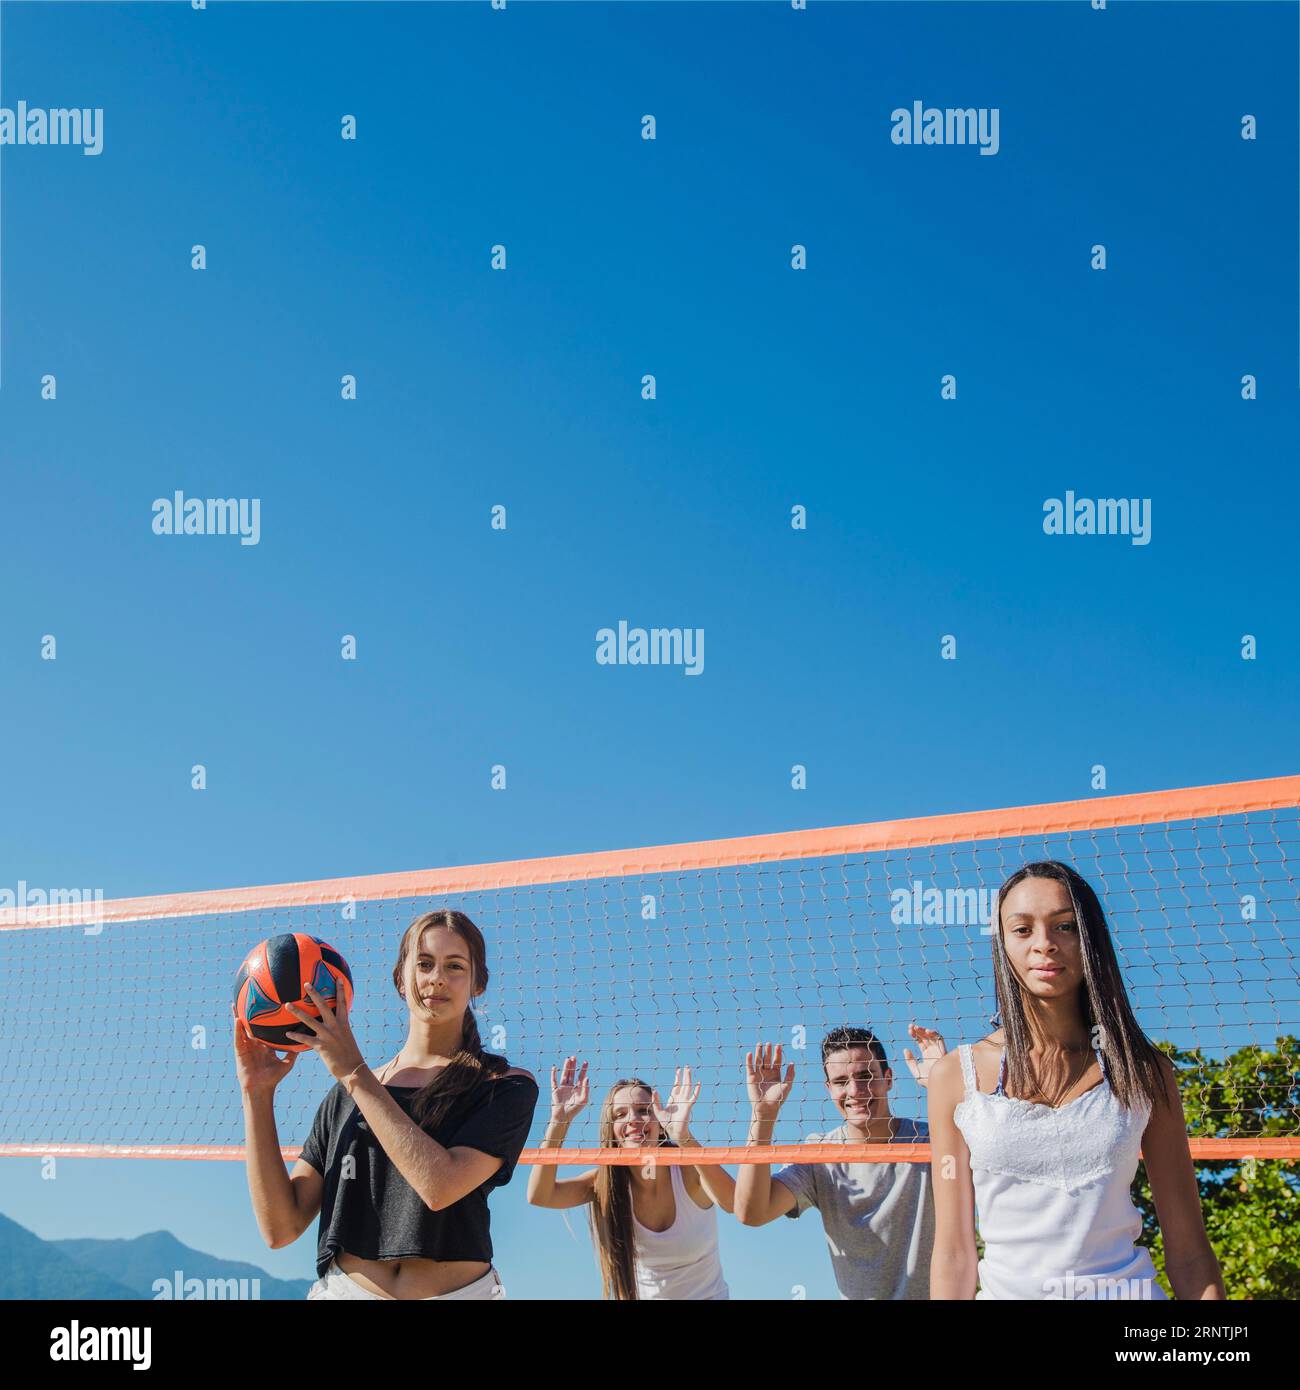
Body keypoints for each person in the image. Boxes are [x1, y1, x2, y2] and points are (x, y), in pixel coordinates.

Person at [927, 860, 1225, 1300]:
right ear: (1002, 943)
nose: (1044, 945)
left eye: (1064, 927)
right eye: (1023, 929)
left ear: (1090, 939)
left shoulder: (1145, 1071)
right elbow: (953, 1253)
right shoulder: (956, 1075)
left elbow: (1188, 1251)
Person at [234, 909, 539, 1300]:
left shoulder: (504, 1085)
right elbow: (281, 1227)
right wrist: (256, 1094)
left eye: (455, 966)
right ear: (400, 979)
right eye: (425, 963)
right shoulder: (347, 1092)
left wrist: (355, 1073)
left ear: (478, 982)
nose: (437, 978)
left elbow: (439, 1186)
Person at [733, 1024, 944, 1299]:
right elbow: (752, 1212)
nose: (855, 1090)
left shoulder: (932, 1140)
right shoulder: (820, 1154)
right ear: (828, 1088)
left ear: (888, 1079)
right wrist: (763, 1116)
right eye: (841, 1081)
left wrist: (944, 1089)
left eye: (866, 1075)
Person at [527, 1058, 733, 1299]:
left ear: (661, 1123)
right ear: (611, 1130)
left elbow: (733, 1202)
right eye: (620, 1114)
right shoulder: (604, 1182)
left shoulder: (688, 1169)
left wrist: (684, 1136)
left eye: (644, 1111)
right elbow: (540, 1195)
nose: (632, 1120)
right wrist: (559, 1123)